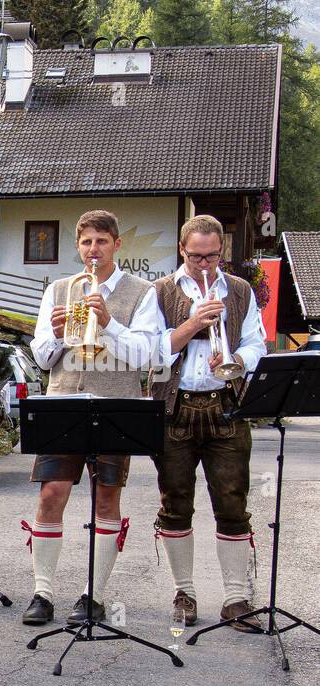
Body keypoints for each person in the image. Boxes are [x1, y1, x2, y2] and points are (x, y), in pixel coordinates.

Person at [21, 208, 162, 626]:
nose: (93, 250)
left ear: (117, 245)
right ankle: (42, 592)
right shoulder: (61, 289)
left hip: (115, 404)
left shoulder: (142, 292)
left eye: (102, 241)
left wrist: (108, 323)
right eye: (86, 242)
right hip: (64, 402)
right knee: (51, 495)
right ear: (78, 246)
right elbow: (43, 356)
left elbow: (146, 355)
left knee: (106, 498)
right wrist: (63, 334)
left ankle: (93, 595)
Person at [151, 215, 266, 630]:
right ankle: (185, 593)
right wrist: (193, 324)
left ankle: (236, 598)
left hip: (226, 407)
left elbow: (257, 343)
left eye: (213, 256)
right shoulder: (161, 291)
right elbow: (153, 352)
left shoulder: (239, 290)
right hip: (175, 408)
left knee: (233, 504)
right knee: (175, 503)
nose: (205, 265)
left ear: (222, 251)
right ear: (183, 250)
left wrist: (234, 360)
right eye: (197, 256)